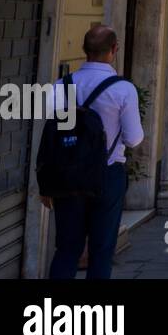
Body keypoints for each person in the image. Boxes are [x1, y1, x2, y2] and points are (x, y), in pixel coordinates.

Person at [45, 24, 144, 280]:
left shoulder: (60, 86)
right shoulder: (123, 89)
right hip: (107, 176)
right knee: (101, 250)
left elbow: (51, 136)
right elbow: (133, 139)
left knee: (66, 249)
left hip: (67, 178)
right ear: (114, 50)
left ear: (84, 50)